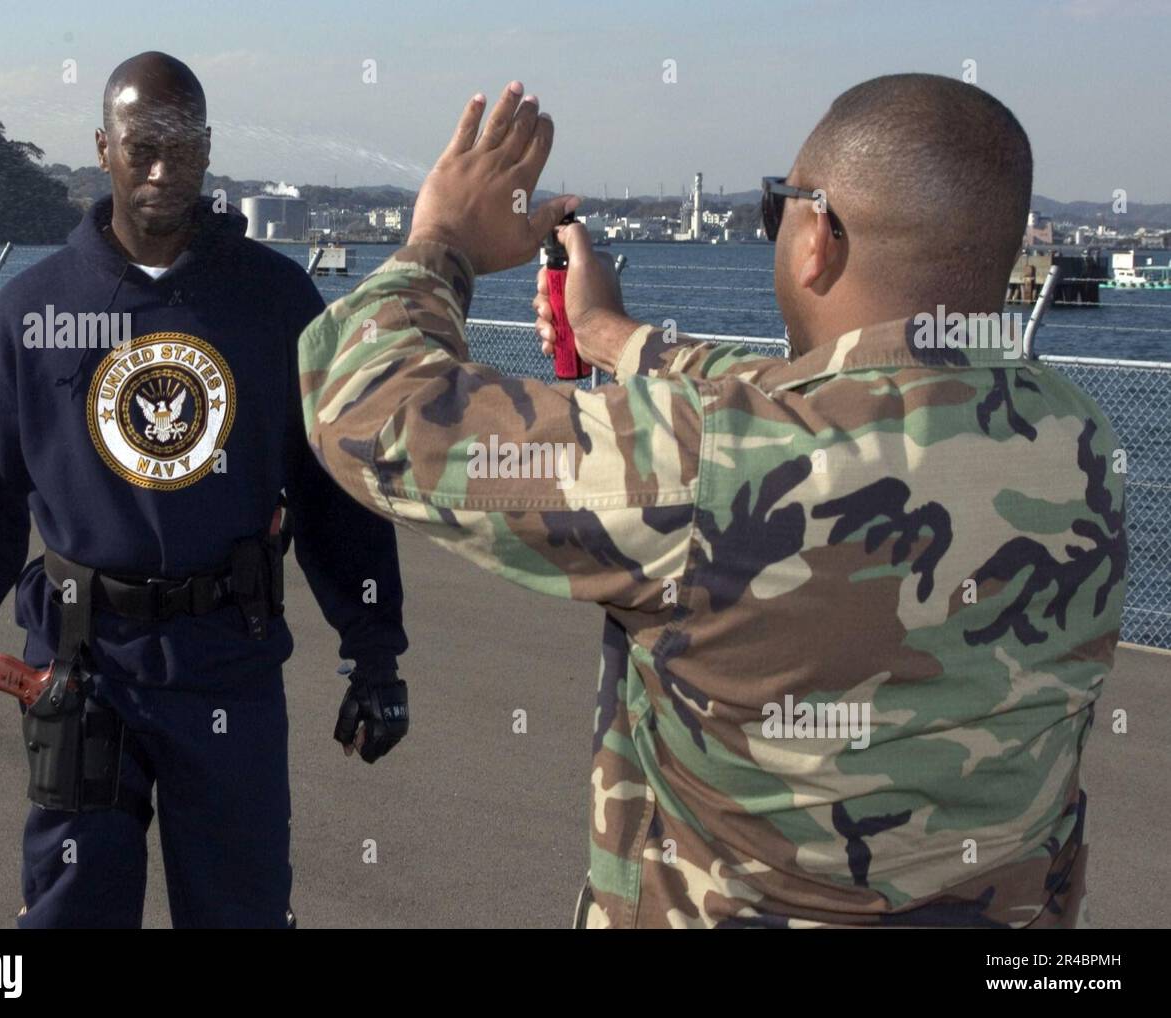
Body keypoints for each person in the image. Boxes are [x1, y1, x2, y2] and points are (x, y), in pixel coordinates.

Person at [294, 75, 1126, 928]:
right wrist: (614, 337)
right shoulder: (1078, 439)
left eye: (779, 209)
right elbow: (853, 388)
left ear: (819, 237)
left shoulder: (709, 461)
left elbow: (366, 404)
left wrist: (443, 241)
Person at [0, 51, 409, 929]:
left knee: (242, 913)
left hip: (229, 668)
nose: (164, 169)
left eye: (183, 146)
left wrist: (375, 656)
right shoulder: (32, 314)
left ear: (209, 150)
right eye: (142, 147)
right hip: (81, 673)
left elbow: (335, 492)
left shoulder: (277, 305)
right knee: (70, 915)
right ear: (104, 148)